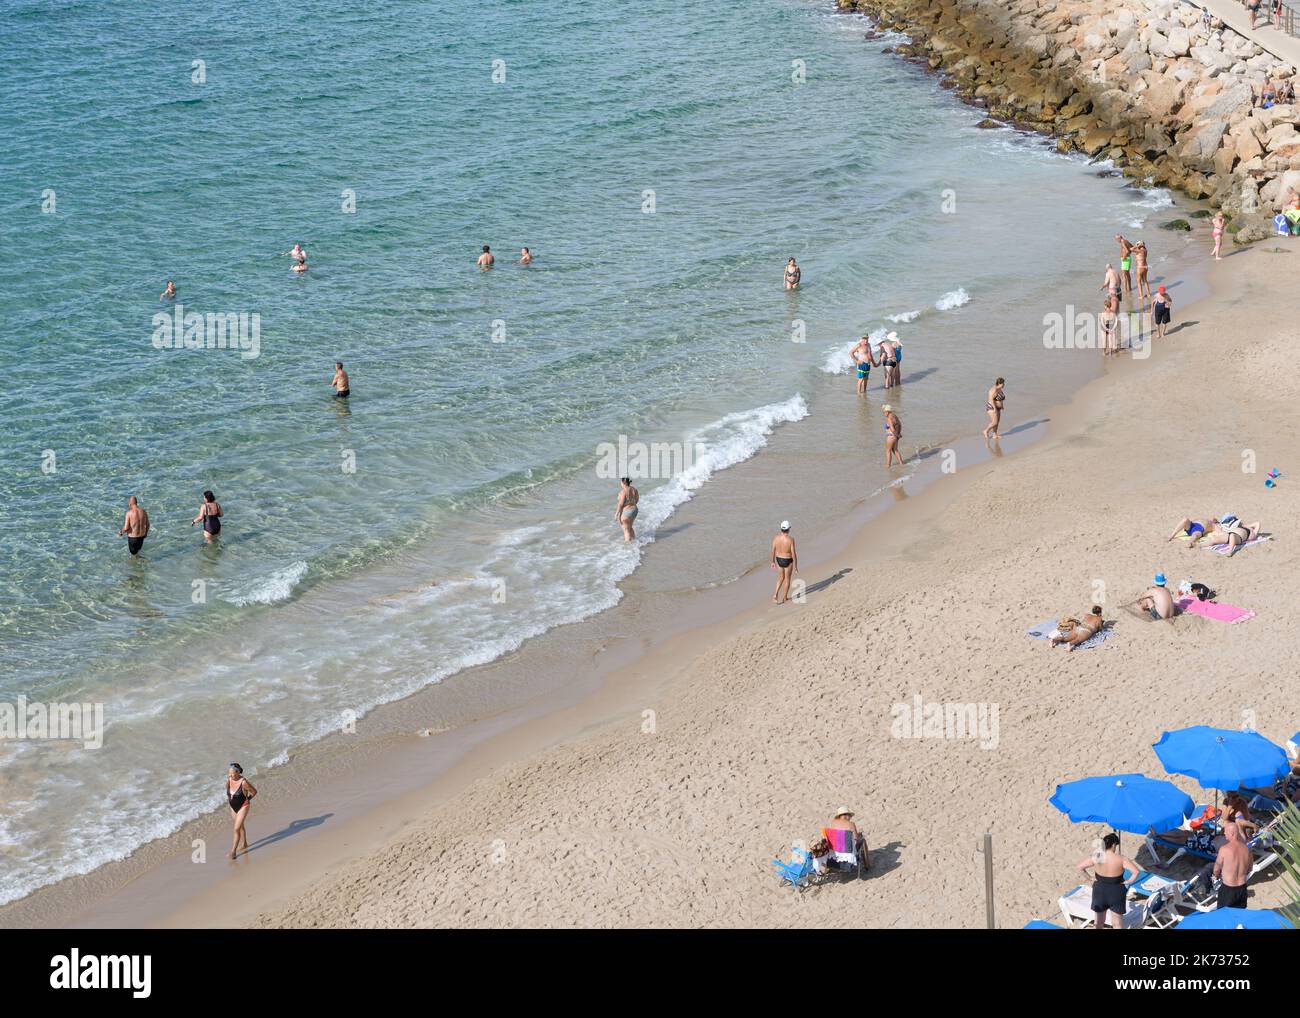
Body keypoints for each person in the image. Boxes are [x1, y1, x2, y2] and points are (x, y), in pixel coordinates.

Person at [1075, 833, 1141, 929]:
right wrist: (1128, 881)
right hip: (1116, 891)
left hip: (1099, 890)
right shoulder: (1121, 859)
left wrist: (1089, 877)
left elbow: (1079, 867)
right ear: (1113, 844)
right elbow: (1136, 872)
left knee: (1098, 922)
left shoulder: (1097, 856)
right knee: (1117, 924)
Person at [1213, 821, 1251, 909]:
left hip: (1228, 888)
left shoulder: (1224, 849)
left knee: (1224, 915)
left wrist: (1215, 876)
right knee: (1239, 914)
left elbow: (1216, 868)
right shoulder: (1247, 849)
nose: (1224, 833)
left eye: (1225, 831)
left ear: (1232, 833)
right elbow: (1249, 868)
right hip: (1242, 888)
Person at [225, 763, 257, 860]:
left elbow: (254, 791)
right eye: (229, 774)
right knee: (240, 826)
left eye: (232, 774)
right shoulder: (228, 781)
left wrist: (248, 799)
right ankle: (244, 844)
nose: (230, 776)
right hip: (233, 807)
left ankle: (233, 852)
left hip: (243, 806)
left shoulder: (243, 782)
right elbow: (229, 793)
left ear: (238, 773)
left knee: (236, 829)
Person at [771, 520, 797, 603]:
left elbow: (773, 551)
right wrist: (796, 566)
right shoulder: (791, 539)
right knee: (787, 579)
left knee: (781, 577)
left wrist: (773, 562)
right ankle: (785, 597)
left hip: (778, 559)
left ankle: (775, 594)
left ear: (781, 529)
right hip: (787, 560)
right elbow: (793, 554)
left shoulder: (776, 538)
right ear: (789, 529)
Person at [615, 477, 638, 542]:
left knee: (626, 529)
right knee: (630, 527)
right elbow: (636, 500)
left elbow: (620, 504)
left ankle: (628, 545)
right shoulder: (634, 489)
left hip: (627, 512)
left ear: (623, 483)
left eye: (621, 482)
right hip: (634, 510)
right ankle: (634, 541)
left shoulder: (623, 491)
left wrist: (616, 514)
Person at [1133, 241, 1151, 306]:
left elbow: (1131, 249)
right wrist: (1139, 245)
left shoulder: (1139, 250)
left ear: (1140, 245)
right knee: (1145, 281)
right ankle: (1148, 294)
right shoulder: (1145, 250)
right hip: (1145, 266)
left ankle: (1141, 296)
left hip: (1140, 267)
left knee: (1138, 282)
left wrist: (1136, 245)